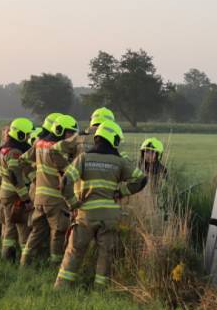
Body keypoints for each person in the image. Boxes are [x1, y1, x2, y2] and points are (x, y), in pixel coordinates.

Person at [55, 121, 148, 288]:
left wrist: (74, 204)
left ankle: (61, 288)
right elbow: (141, 179)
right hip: (110, 217)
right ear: (113, 140)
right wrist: (121, 192)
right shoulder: (119, 162)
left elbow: (65, 182)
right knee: (106, 254)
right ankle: (100, 290)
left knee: (75, 251)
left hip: (86, 216)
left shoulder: (84, 159)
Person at [20, 113, 79, 268]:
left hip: (39, 199)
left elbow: (23, 160)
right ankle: (54, 267)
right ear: (60, 131)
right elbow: (69, 174)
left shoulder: (39, 144)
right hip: (56, 200)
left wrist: (34, 178)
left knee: (36, 232)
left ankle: (24, 264)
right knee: (58, 234)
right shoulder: (56, 149)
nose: (71, 136)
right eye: (70, 133)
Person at [0, 118, 34, 261]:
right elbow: (16, 178)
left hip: (6, 194)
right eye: (27, 135)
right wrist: (26, 199)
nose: (28, 138)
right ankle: (26, 261)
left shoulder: (5, 149)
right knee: (23, 227)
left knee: (9, 227)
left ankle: (7, 259)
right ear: (20, 135)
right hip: (15, 196)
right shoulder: (15, 152)